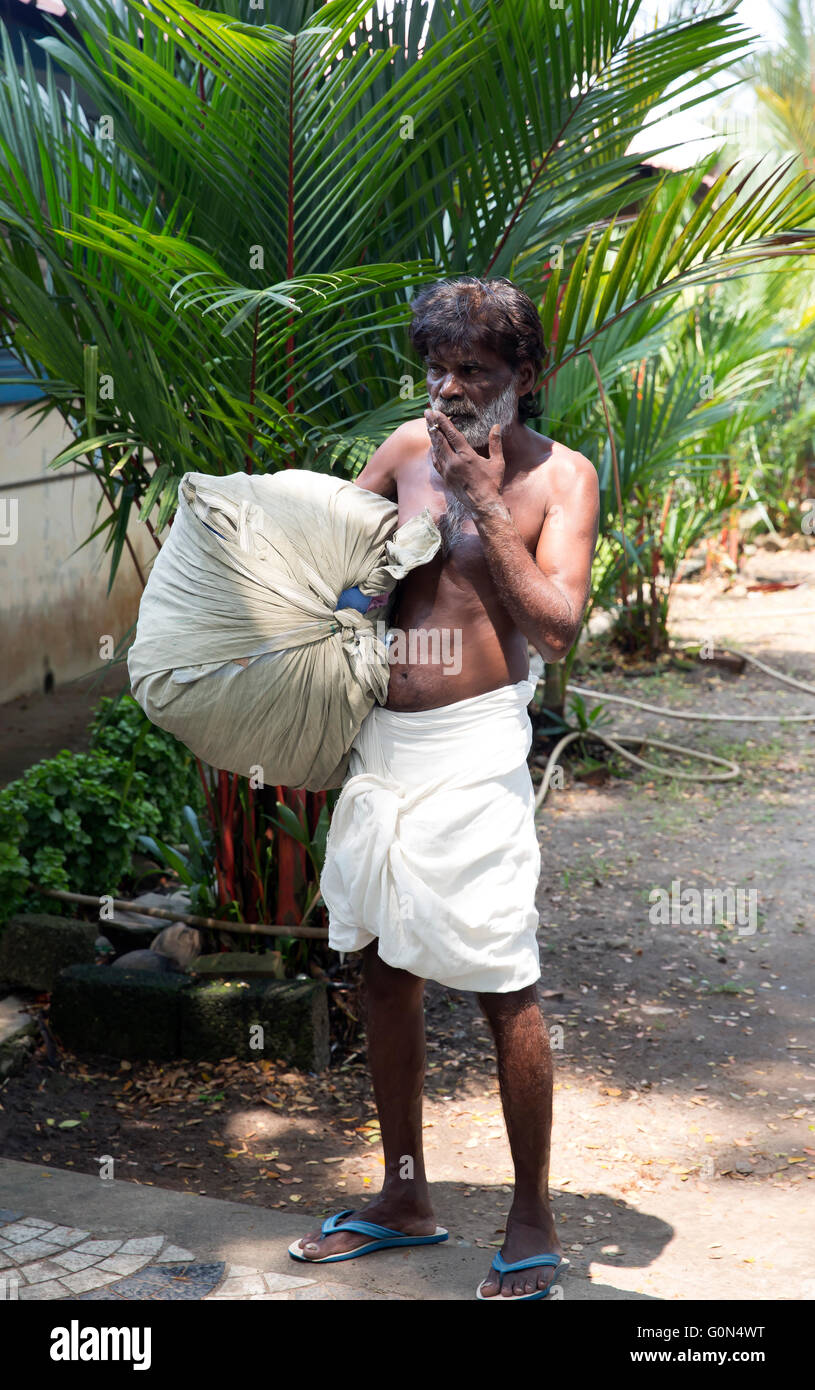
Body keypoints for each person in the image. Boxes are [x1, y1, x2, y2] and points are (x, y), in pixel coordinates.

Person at [290, 275, 599, 1299]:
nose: (449, 384)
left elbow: (554, 626)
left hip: (474, 752)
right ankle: (405, 1195)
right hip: (381, 744)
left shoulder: (561, 480)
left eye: (472, 366)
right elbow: (325, 576)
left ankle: (530, 1216)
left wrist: (477, 502)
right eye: (437, 364)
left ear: (525, 374)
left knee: (500, 979)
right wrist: (342, 601)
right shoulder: (398, 454)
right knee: (379, 968)